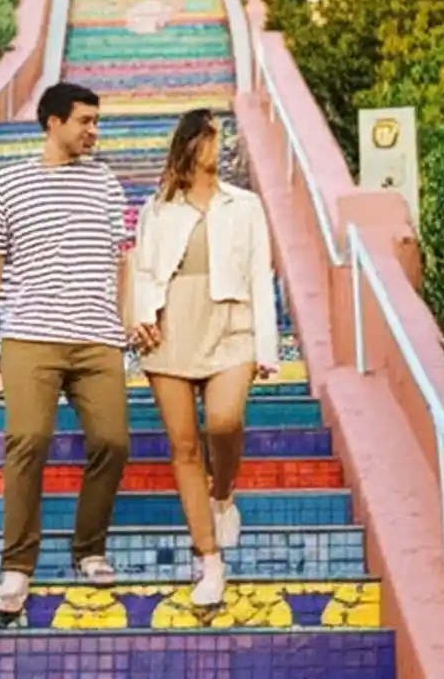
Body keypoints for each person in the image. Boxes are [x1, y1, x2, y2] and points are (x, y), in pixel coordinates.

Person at [0, 82, 132, 617]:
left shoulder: (107, 183)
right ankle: (16, 567)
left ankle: (89, 548)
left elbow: (122, 259)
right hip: (29, 336)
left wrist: (126, 319)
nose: (94, 130)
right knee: (28, 440)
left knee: (112, 440)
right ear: (52, 122)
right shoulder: (7, 184)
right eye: (85, 120)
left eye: (96, 121)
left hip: (96, 337)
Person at [126, 108, 280, 607]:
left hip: (231, 324)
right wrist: (141, 319)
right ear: (192, 144)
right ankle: (209, 561)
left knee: (223, 420)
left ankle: (224, 496)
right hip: (171, 331)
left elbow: (261, 274)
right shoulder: (158, 207)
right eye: (215, 135)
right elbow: (145, 270)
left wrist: (267, 346)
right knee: (185, 447)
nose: (223, 142)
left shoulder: (246, 204)